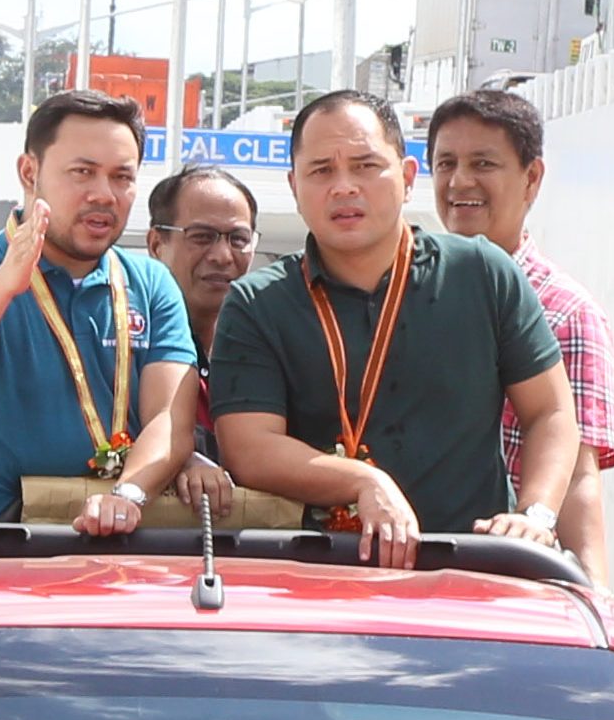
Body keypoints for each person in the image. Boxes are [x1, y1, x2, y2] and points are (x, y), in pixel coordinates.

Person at [205, 90, 579, 567]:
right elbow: (249, 447)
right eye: (321, 171)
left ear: (406, 177)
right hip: (318, 575)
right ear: (294, 186)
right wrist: (363, 481)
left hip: (473, 573)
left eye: (365, 165)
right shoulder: (258, 302)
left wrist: (538, 514)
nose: (344, 187)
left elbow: (549, 410)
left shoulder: (483, 273)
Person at [0, 93, 199, 531]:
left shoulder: (150, 283)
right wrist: (4, 286)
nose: (104, 194)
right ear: (29, 172)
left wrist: (126, 496)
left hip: (118, 550)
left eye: (122, 177)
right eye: (82, 172)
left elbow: (169, 421)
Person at [416, 86, 614, 584]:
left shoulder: (567, 313)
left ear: (532, 179)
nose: (460, 181)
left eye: (483, 164)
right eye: (446, 164)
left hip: (506, 582)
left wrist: (597, 603)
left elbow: (578, 477)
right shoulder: (400, 294)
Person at [141, 160, 262, 459]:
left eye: (238, 239)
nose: (222, 256)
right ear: (157, 244)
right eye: (202, 237)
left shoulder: (267, 348)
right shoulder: (128, 347)